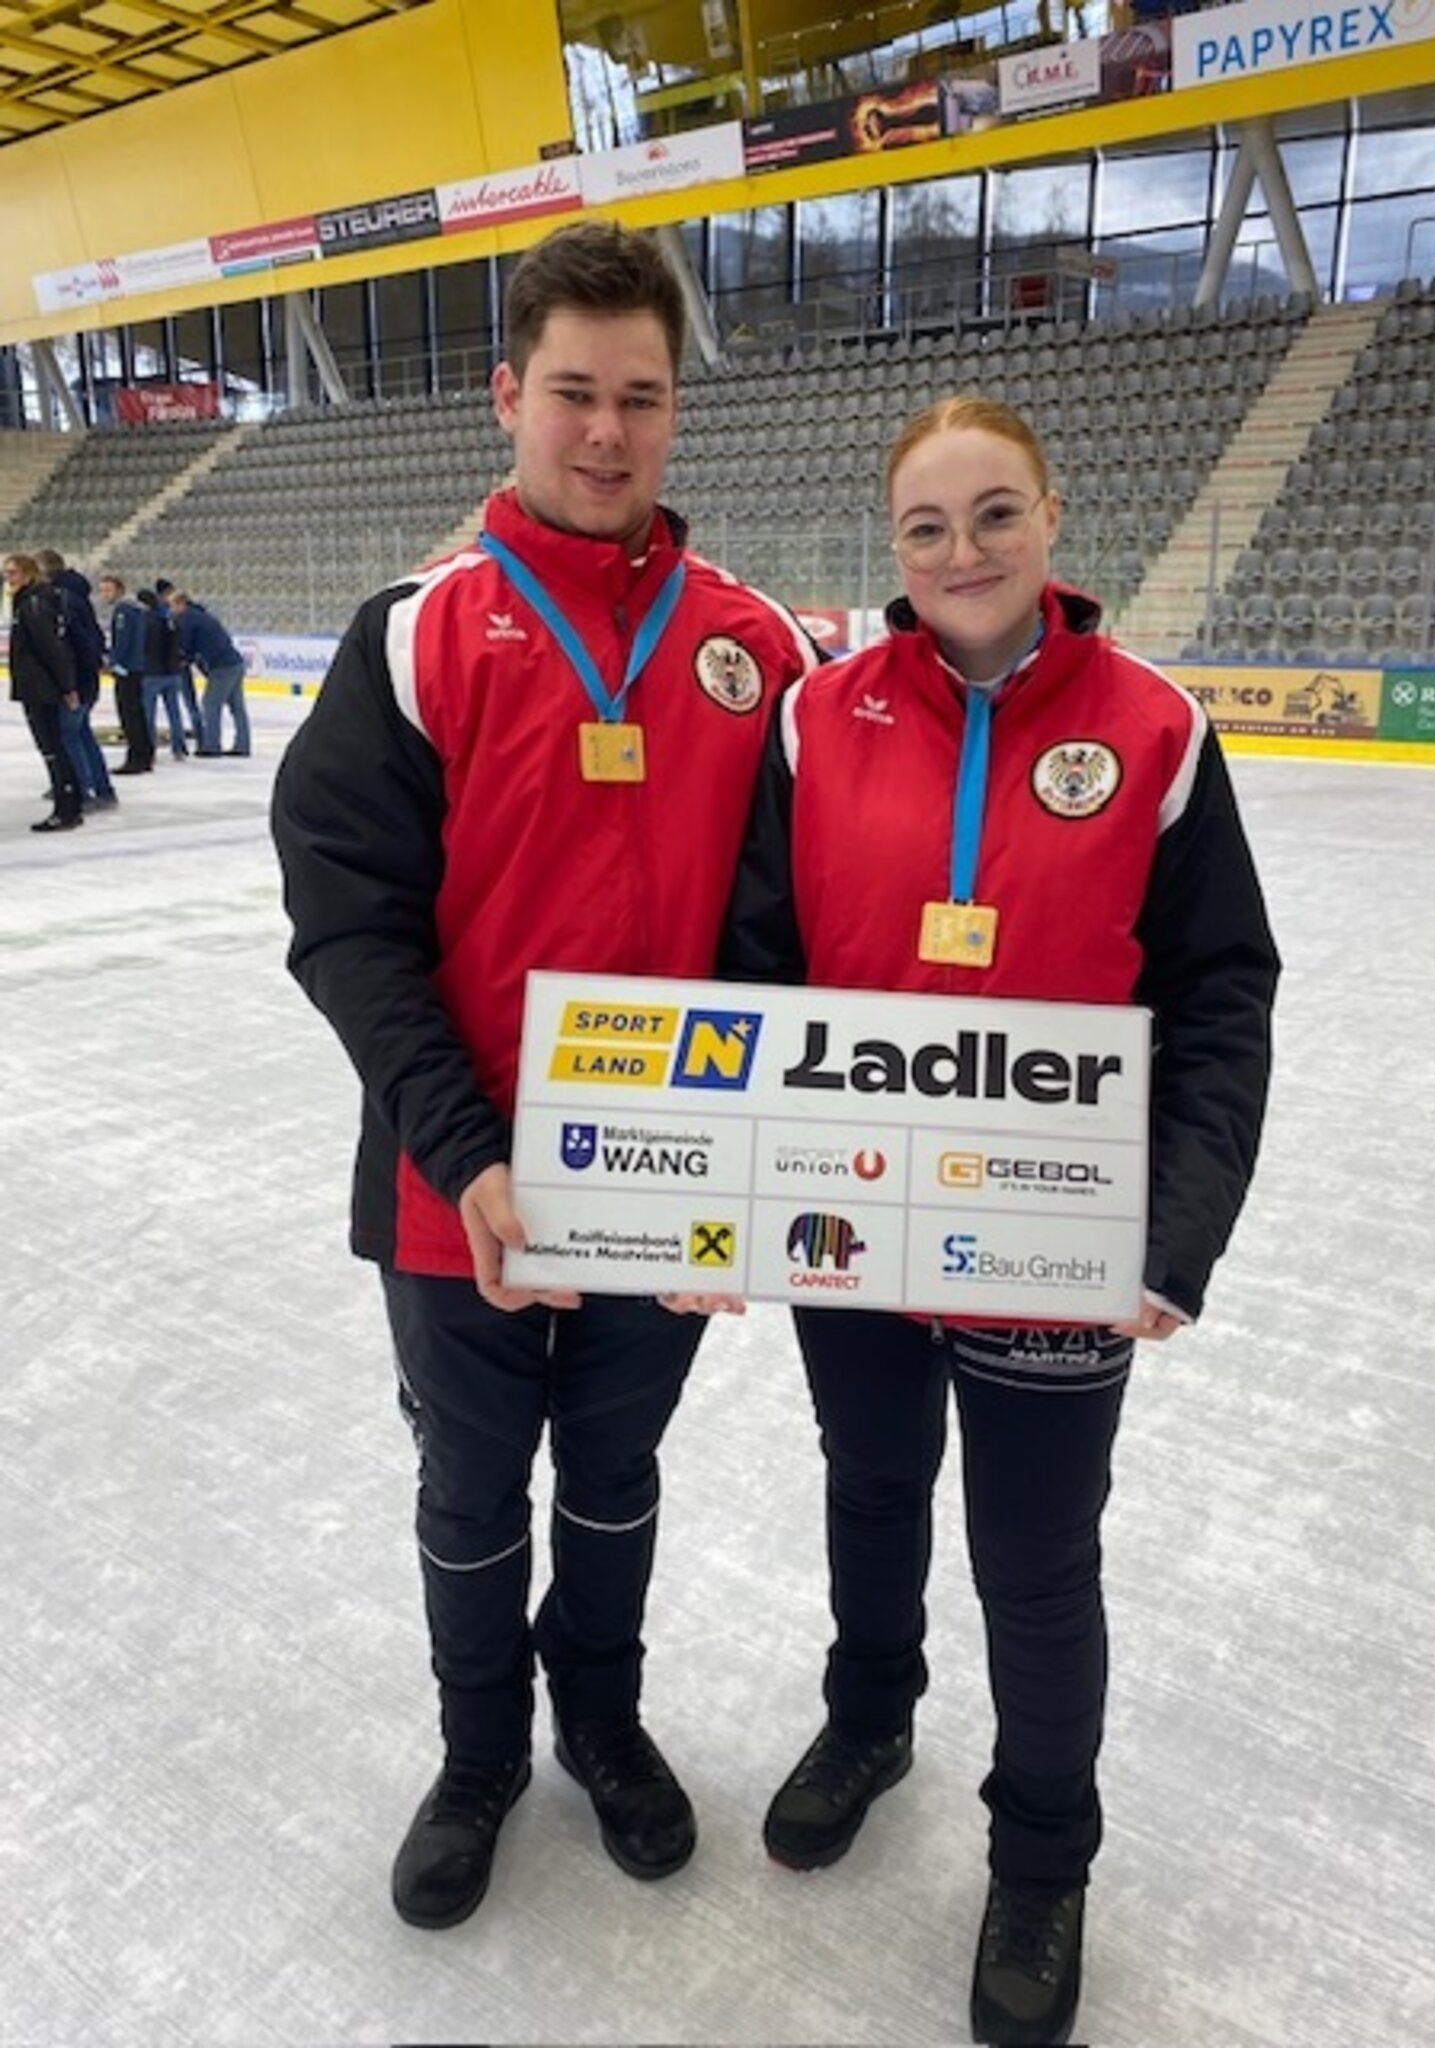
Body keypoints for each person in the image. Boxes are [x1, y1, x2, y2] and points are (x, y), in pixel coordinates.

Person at [271, 219, 819, 1932]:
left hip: (665, 1188)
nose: (605, 431)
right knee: (465, 1487)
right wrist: (465, 1146)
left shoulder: (755, 651)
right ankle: (483, 1753)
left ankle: (598, 1716)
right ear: (508, 396)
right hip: (461, 1198)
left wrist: (749, 1170)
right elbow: (348, 925)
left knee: (614, 1478)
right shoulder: (421, 635)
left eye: (639, 398)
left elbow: (794, 929)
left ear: (674, 411)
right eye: (571, 392)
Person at [719, 396, 1280, 2048]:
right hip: (856, 1216)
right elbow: (756, 964)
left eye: (992, 515)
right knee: (872, 1491)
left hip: (1054, 1229)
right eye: (925, 525)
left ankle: (1042, 1856)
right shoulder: (821, 718)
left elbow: (1222, 989)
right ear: (891, 546)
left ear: (1050, 515)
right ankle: (869, 1716)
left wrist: (1175, 1231)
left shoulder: (1156, 727)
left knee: (1034, 1561)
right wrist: (719, 1190)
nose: (961, 552)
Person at [5, 551, 83, 832]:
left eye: (12, 573)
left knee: (52, 747)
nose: (8, 578)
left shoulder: (34, 603)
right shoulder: (29, 601)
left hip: (41, 686)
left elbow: (50, 648)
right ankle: (70, 803)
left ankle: (66, 807)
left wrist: (67, 686)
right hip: (37, 684)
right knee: (53, 747)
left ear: (28, 573)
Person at [37, 548, 116, 810]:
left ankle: (82, 791)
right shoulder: (74, 597)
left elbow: (77, 643)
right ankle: (101, 789)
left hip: (77, 679)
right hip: (85, 677)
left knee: (69, 735)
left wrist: (69, 681)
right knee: (81, 734)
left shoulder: (63, 600)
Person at [169, 590, 250, 757]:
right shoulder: (202, 615)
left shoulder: (188, 619)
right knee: (237, 707)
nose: (171, 610)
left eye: (173, 605)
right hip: (235, 662)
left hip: (221, 666)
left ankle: (212, 745)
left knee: (210, 704)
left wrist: (182, 659)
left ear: (181, 604)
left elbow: (186, 644)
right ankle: (243, 744)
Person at [99, 574, 153, 773]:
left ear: (119, 590)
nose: (105, 595)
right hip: (137, 667)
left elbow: (123, 642)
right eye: (103, 590)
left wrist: (112, 662)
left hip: (127, 669)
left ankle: (136, 758)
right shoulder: (138, 609)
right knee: (137, 713)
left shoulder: (123, 610)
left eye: (108, 590)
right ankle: (145, 754)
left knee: (129, 715)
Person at [138, 588, 189, 758]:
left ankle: (149, 747)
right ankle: (179, 746)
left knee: (148, 713)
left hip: (152, 672)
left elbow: (143, 646)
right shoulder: (170, 619)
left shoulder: (145, 621)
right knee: (174, 710)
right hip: (173, 672)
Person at [154, 577, 205, 748]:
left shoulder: (175, 614)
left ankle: (196, 739)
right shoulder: (192, 610)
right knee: (183, 704)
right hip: (178, 664)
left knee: (184, 704)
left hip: (174, 665)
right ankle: (196, 739)